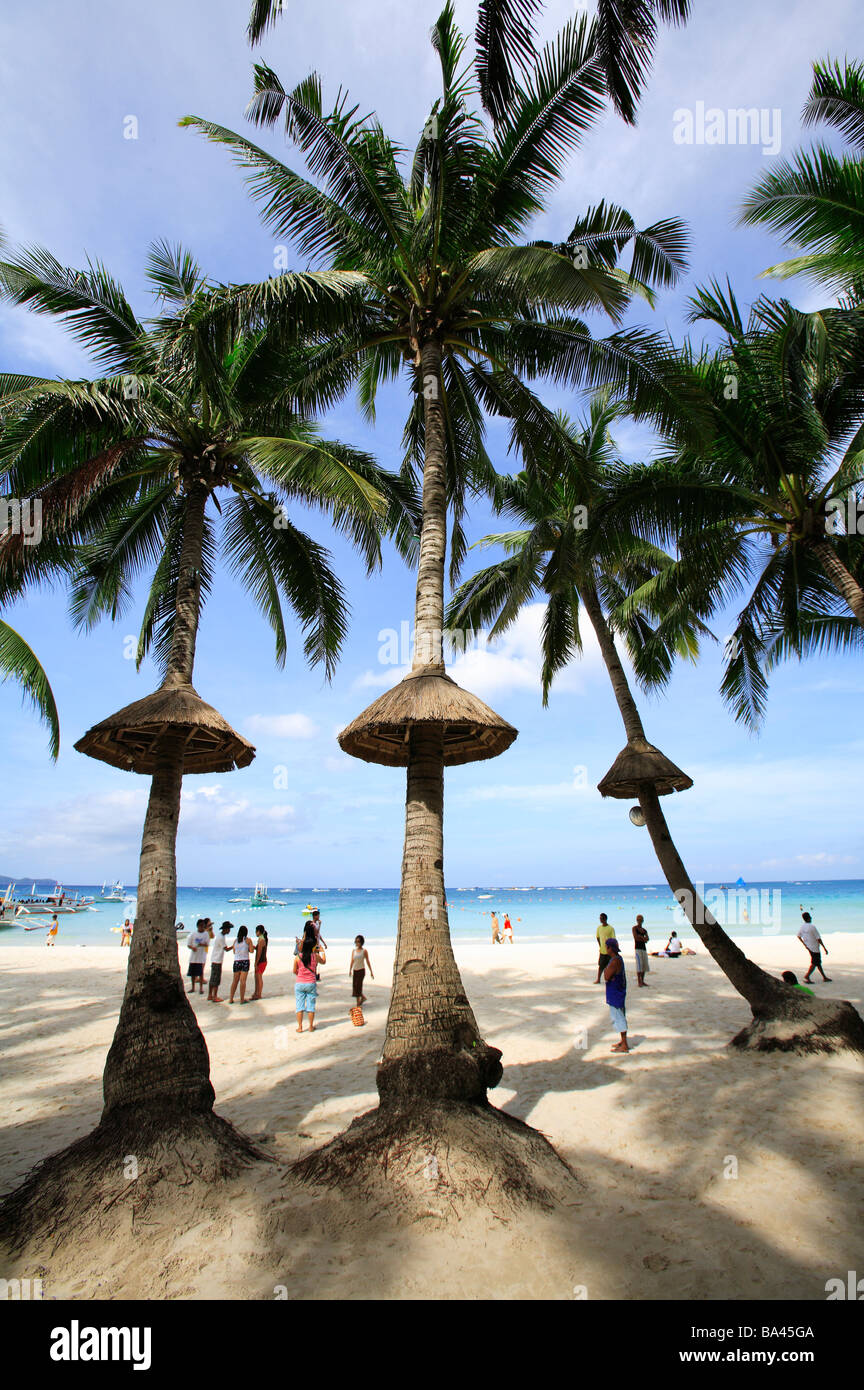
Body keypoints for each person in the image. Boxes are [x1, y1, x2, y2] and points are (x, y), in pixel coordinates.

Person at [294, 920, 325, 1031]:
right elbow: (323, 961)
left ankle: (300, 1027)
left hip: (300, 982)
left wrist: (301, 974)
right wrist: (322, 951)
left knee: (299, 1005)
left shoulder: (298, 957)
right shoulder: (314, 956)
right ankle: (311, 1026)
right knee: (311, 1005)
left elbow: (294, 971)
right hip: (311, 982)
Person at [604, 937, 629, 1053]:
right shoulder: (617, 959)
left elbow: (606, 976)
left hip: (615, 993)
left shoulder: (614, 961)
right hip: (618, 991)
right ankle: (622, 1041)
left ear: (610, 948)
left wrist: (606, 969)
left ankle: (624, 1044)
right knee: (620, 1016)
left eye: (606, 947)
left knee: (619, 1018)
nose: (606, 949)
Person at [797, 912, 831, 983]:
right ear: (809, 918)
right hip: (815, 948)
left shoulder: (803, 926)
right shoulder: (812, 927)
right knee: (815, 962)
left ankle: (824, 977)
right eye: (810, 917)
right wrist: (824, 947)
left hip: (809, 947)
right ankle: (807, 976)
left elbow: (798, 936)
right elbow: (818, 938)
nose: (811, 918)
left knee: (818, 962)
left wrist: (804, 944)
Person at [228, 925, 254, 1003]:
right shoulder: (248, 940)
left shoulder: (235, 941)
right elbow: (252, 951)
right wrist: (249, 948)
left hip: (236, 961)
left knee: (235, 981)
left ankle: (231, 999)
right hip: (245, 961)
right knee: (243, 981)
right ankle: (242, 999)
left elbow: (233, 952)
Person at [208, 922, 232, 1002]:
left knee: (212, 978)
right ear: (225, 929)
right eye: (229, 929)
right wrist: (234, 946)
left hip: (215, 959)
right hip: (217, 960)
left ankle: (210, 995)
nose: (229, 931)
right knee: (216, 979)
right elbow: (226, 949)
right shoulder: (221, 938)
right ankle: (215, 996)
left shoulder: (220, 936)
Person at [186, 918, 210, 994]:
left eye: (203, 926)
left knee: (200, 973)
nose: (201, 927)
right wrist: (192, 948)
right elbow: (189, 945)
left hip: (201, 956)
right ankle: (193, 988)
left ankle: (201, 988)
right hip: (193, 956)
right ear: (197, 926)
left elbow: (207, 944)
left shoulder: (206, 934)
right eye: (200, 926)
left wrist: (200, 944)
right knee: (192, 974)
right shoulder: (193, 934)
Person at [350, 935, 373, 1007]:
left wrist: (371, 971)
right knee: (355, 986)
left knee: (358, 986)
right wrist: (350, 970)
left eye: (358, 941)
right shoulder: (353, 951)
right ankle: (362, 998)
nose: (357, 943)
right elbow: (352, 960)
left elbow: (367, 961)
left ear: (361, 942)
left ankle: (358, 1004)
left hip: (361, 971)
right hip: (355, 970)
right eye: (356, 941)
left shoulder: (364, 951)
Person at [594, 913, 615, 982]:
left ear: (605, 919)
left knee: (610, 966)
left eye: (602, 918)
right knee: (601, 965)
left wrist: (611, 948)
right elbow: (597, 937)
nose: (600, 920)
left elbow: (613, 939)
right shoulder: (599, 928)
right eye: (600, 918)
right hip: (602, 950)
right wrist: (601, 945)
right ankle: (598, 979)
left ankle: (610, 978)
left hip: (609, 951)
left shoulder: (611, 928)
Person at [250, 925, 268, 1000]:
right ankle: (256, 993)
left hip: (261, 961)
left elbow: (259, 953)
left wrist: (256, 963)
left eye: (256, 931)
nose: (255, 933)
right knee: (257, 977)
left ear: (258, 931)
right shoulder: (262, 939)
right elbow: (258, 949)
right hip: (262, 961)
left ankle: (259, 994)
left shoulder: (261, 940)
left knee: (259, 978)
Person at [632, 915, 650, 986]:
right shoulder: (634, 928)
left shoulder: (644, 930)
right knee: (639, 965)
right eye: (638, 919)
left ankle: (642, 980)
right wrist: (643, 938)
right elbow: (636, 938)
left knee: (644, 965)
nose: (639, 921)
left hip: (644, 949)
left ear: (642, 920)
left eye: (641, 919)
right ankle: (639, 981)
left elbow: (647, 939)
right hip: (638, 949)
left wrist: (641, 937)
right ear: (637, 920)